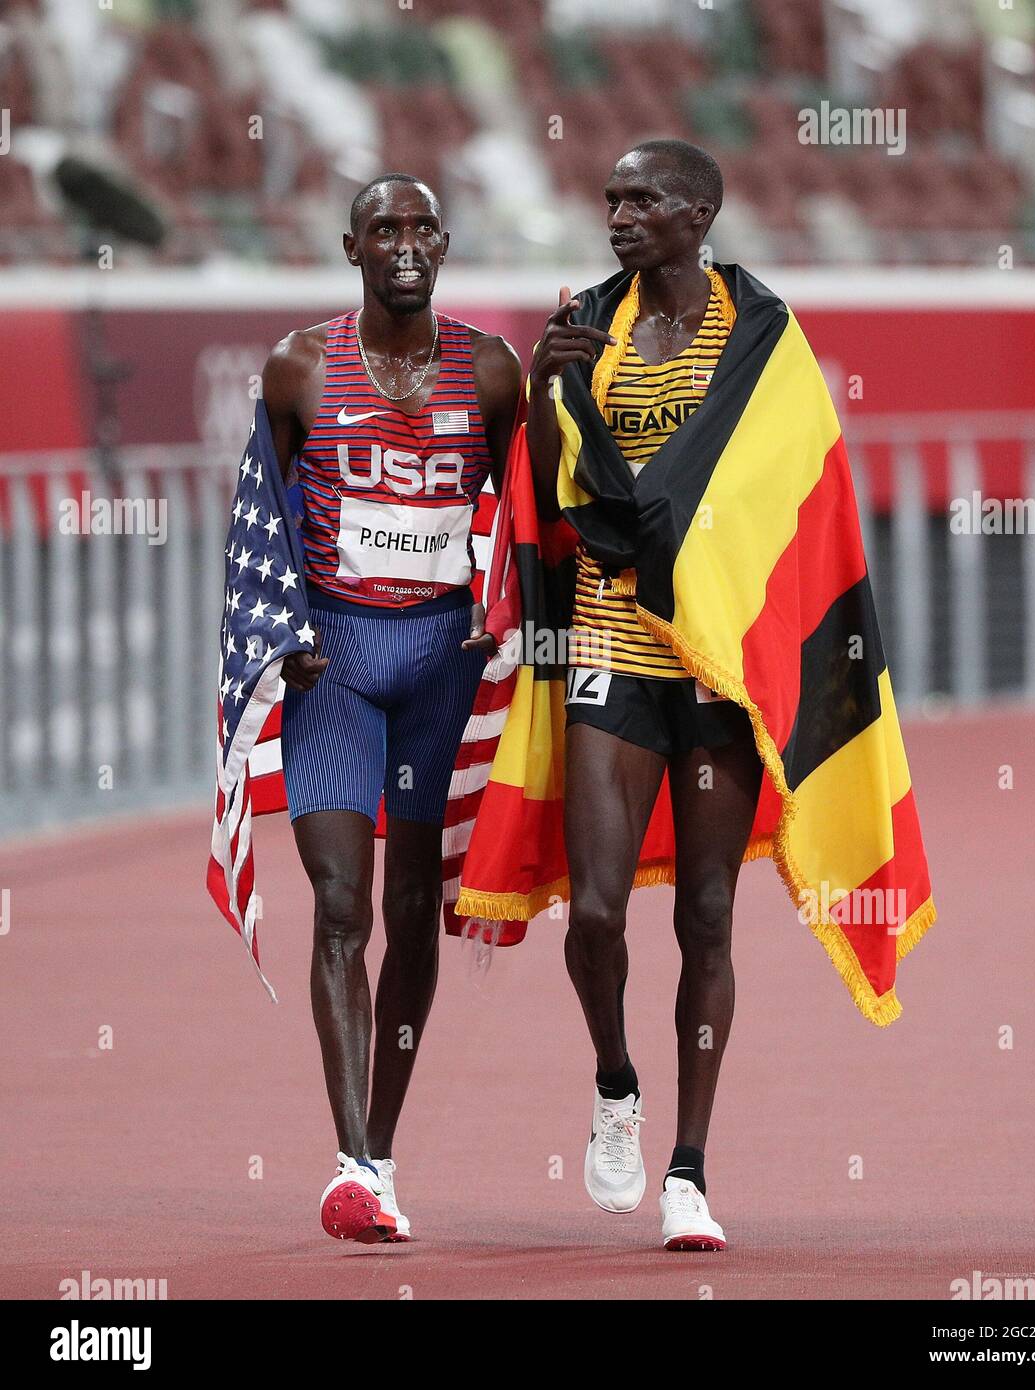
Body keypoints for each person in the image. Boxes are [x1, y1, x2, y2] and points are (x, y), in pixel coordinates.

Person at [261, 173, 520, 1242]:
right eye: (384, 230)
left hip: (440, 673)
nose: (403, 244)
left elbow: (521, 519)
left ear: (445, 244)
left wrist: (505, 622)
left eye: (420, 229)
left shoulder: (492, 371)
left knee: (412, 914)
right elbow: (259, 522)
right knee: (339, 907)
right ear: (351, 246)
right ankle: (348, 1160)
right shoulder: (299, 368)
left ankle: (383, 1148)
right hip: (338, 669)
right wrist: (281, 636)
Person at [525, 140, 762, 1251]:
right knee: (600, 912)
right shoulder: (591, 324)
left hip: (716, 661)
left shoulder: (758, 331)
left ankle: (689, 1171)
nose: (620, 215)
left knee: (706, 913)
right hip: (614, 636)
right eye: (610, 198)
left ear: (700, 212)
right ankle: (616, 1082)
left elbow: (789, 488)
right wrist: (544, 385)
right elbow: (549, 495)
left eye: (643, 198)